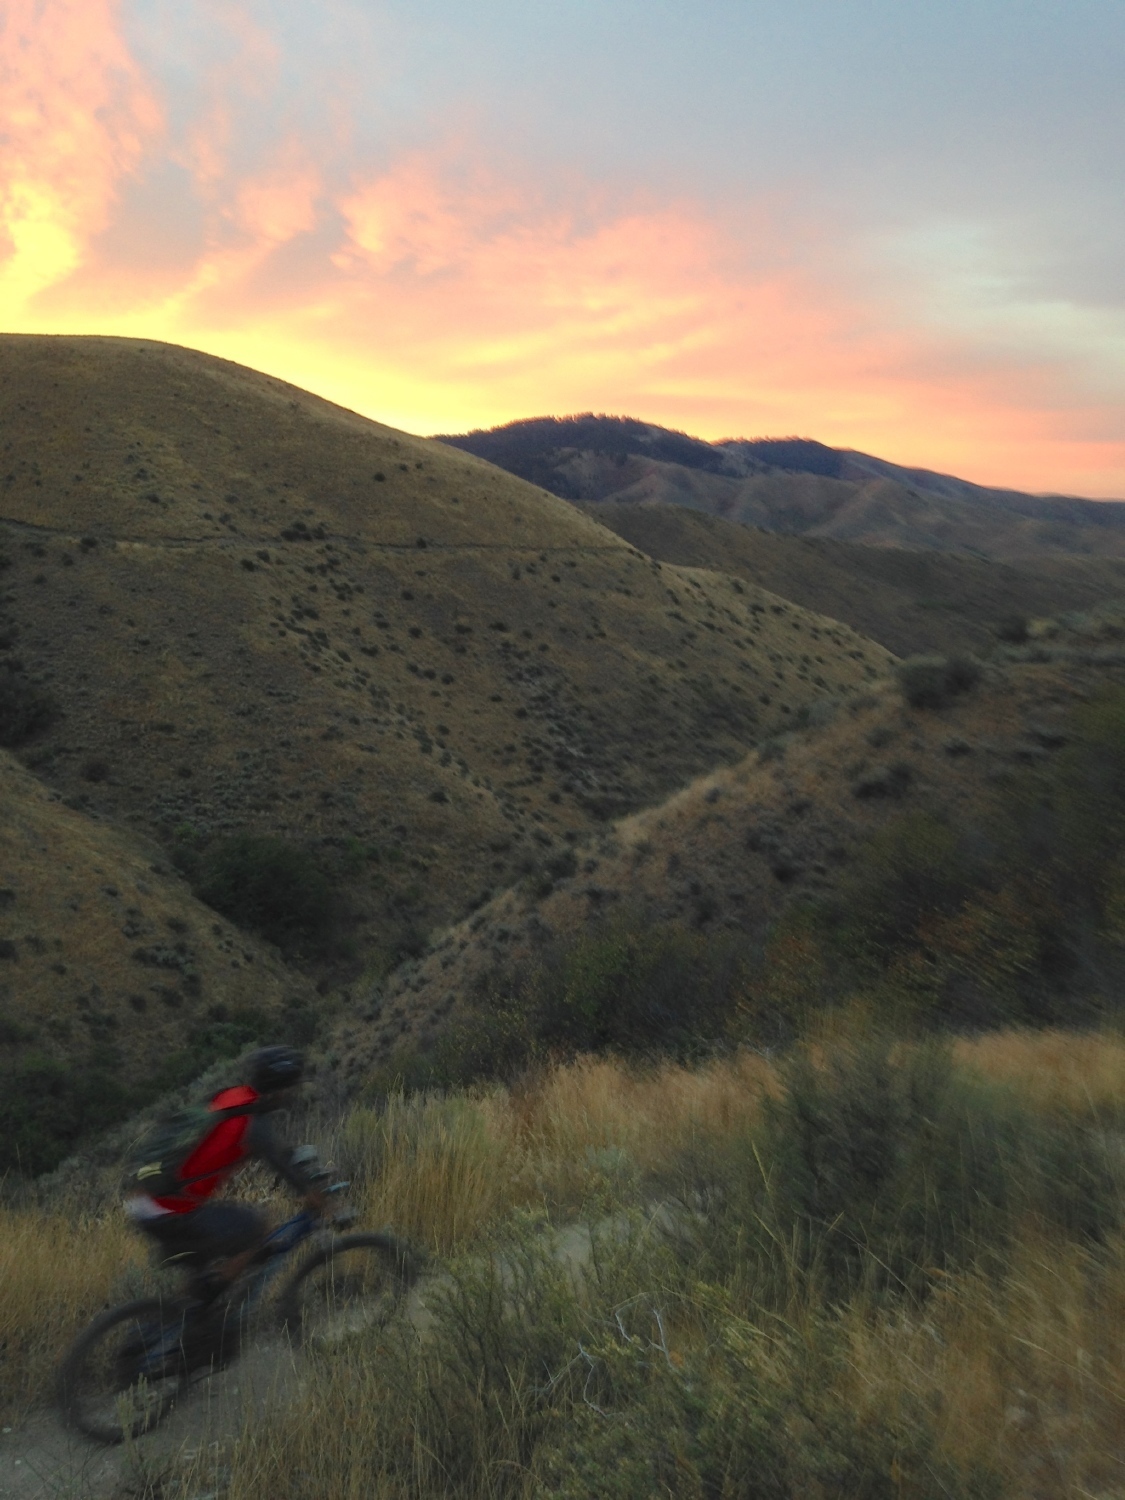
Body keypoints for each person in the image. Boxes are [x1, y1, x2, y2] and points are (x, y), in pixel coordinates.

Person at [125, 1046, 328, 1301]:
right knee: (256, 1227)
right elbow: (283, 1166)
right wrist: (314, 1195)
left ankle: (189, 1315)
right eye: (291, 1087)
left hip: (145, 1197)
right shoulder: (256, 1125)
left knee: (220, 1248)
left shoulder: (232, 1096)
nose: (292, 1093)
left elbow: (277, 1152)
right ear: (281, 1089)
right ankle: (207, 1314)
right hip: (169, 1208)